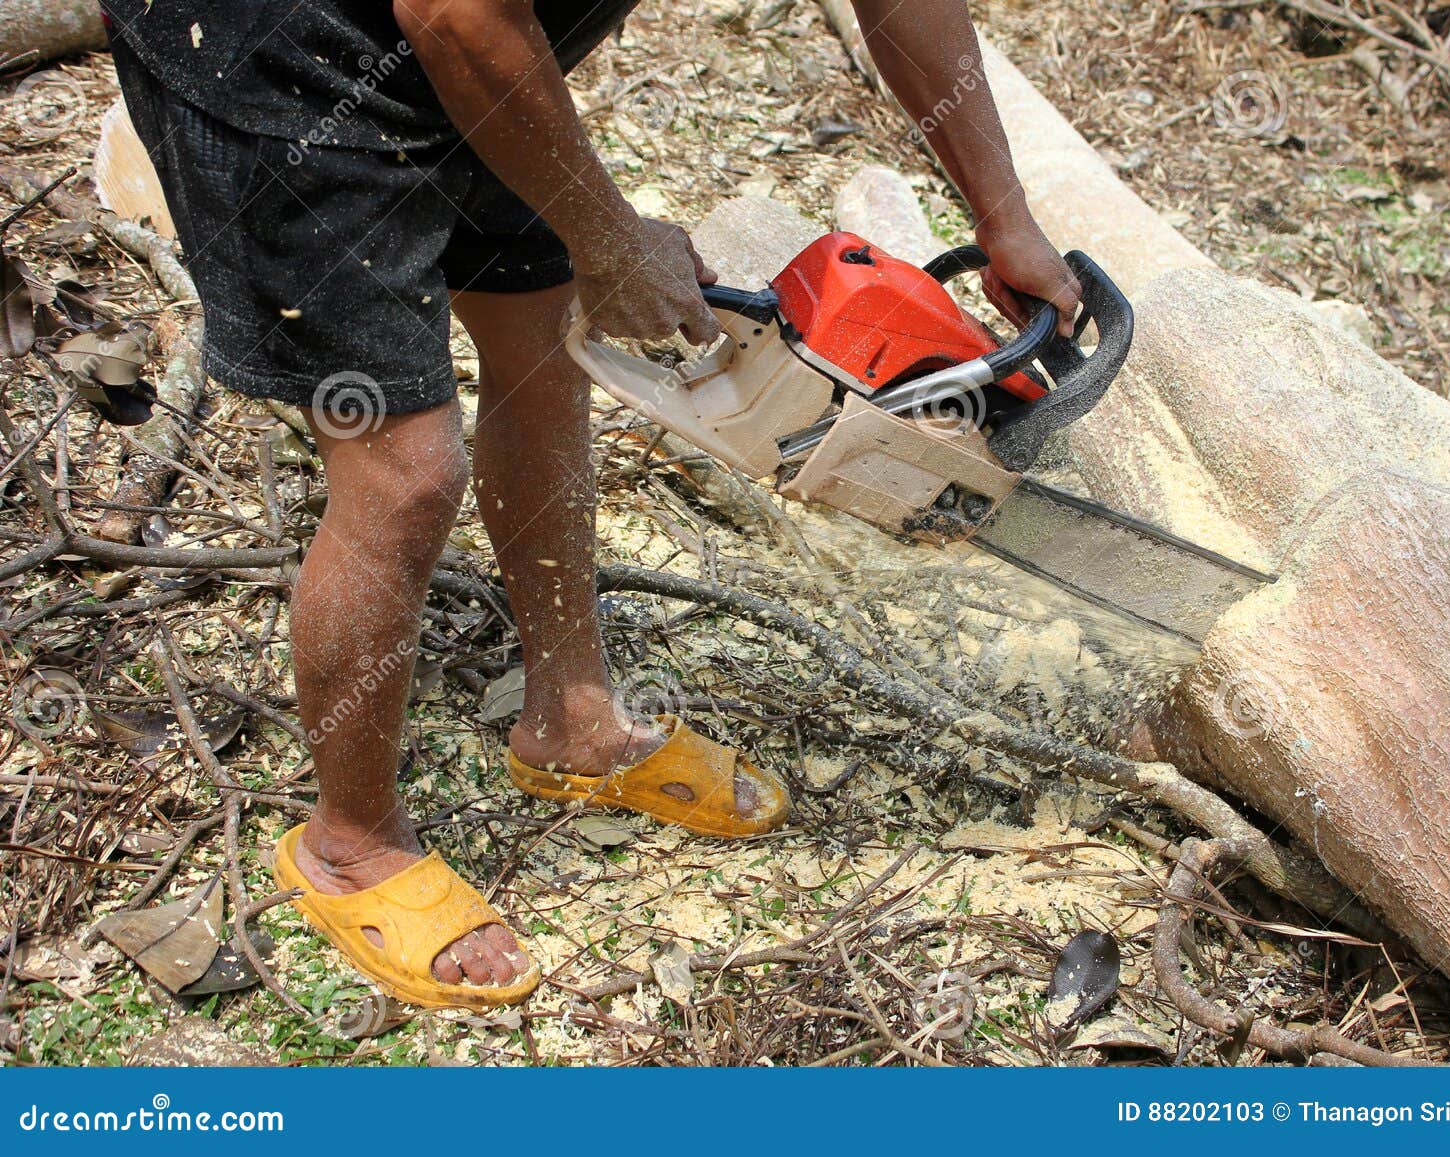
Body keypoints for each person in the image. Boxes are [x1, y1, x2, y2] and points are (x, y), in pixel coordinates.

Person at [98, 0, 1084, 1010]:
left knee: (546, 348)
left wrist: (998, 210)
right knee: (405, 467)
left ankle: (574, 719)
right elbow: (455, 12)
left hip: (482, 51)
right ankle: (348, 841)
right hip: (280, 58)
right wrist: (607, 232)